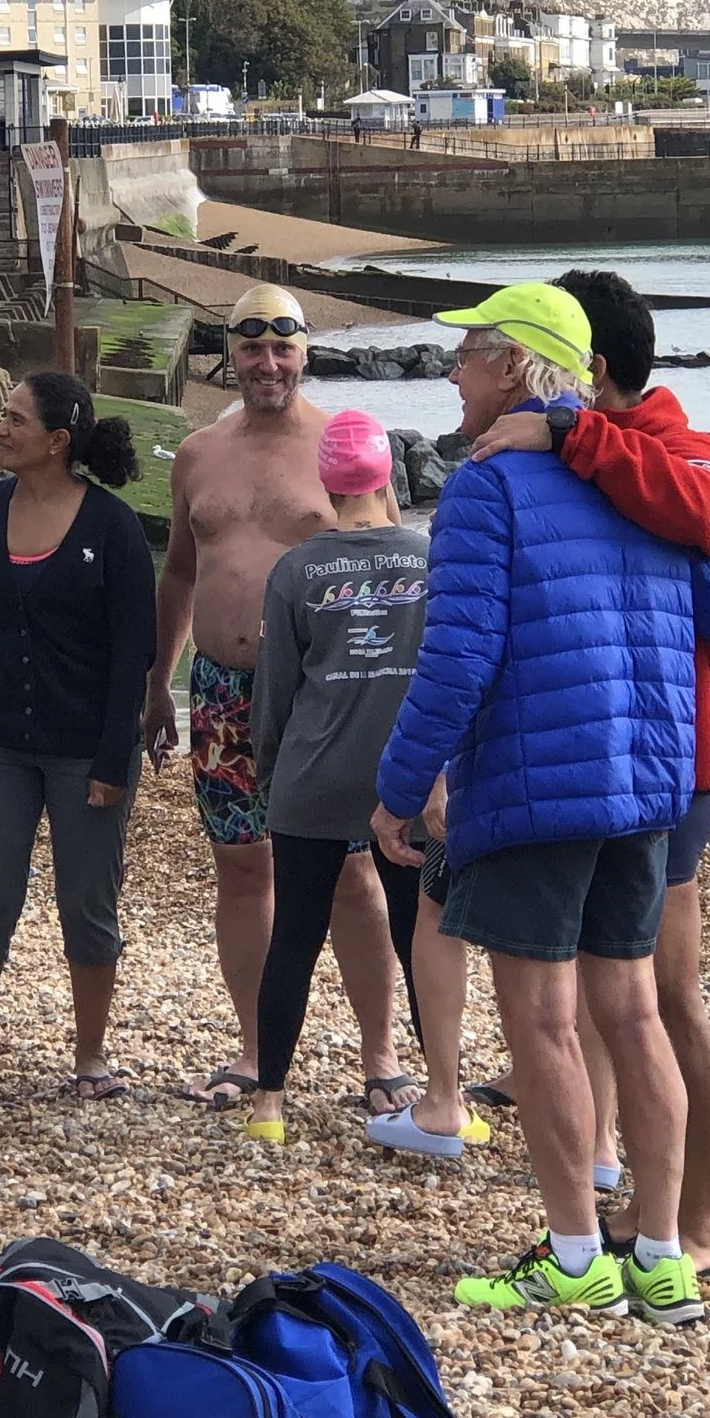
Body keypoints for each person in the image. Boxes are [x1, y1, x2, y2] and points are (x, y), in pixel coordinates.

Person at [371, 282, 710, 1324]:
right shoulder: (642, 481)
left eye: (466, 355)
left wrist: (397, 791)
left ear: (512, 367)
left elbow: (456, 663)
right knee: (632, 1013)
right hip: (648, 782)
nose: (451, 372)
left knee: (542, 1023)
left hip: (538, 786)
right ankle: (667, 1260)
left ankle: (576, 1253)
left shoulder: (486, 486)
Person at [470, 268, 710, 1272]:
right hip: (605, 749)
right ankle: (604, 1185)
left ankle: (694, 1223)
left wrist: (570, 437)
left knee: (659, 1000)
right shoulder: (586, 455)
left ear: (585, 369)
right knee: (601, 997)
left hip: (667, 757)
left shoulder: (665, 448)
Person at [145, 283, 413, 1116]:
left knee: (352, 871)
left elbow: (396, 569)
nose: (269, 362)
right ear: (232, 351)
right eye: (253, 346)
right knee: (243, 866)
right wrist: (160, 680)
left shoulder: (345, 444)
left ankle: (381, 1055)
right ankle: (258, 1049)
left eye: (284, 346)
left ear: (304, 350)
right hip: (224, 693)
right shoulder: (198, 453)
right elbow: (182, 572)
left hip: (332, 694)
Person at [0, 374, 156, 1104]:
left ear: (58, 441)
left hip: (85, 745)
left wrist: (113, 757)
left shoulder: (113, 526)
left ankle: (91, 1057)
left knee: (88, 901)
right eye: (2, 415)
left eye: (14, 418)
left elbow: (135, 653)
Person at [241, 412, 433, 1147]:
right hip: (406, 777)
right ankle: (442, 1088)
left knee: (295, 933)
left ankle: (269, 1103)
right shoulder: (424, 557)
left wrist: (268, 770)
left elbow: (277, 694)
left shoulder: (295, 569)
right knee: (420, 935)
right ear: (385, 477)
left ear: (325, 481)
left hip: (312, 774)